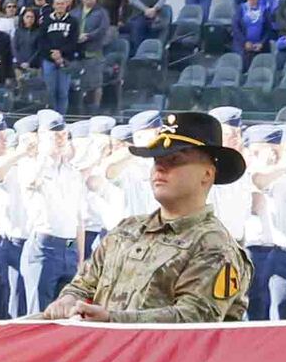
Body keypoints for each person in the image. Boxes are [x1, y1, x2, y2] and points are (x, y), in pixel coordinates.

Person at [41, 110, 252, 323]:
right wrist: (69, 299)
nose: (160, 167)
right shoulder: (127, 229)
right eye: (157, 160)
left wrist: (112, 320)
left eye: (175, 160)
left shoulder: (215, 246)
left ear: (207, 174)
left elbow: (193, 319)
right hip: (110, 352)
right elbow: (83, 284)